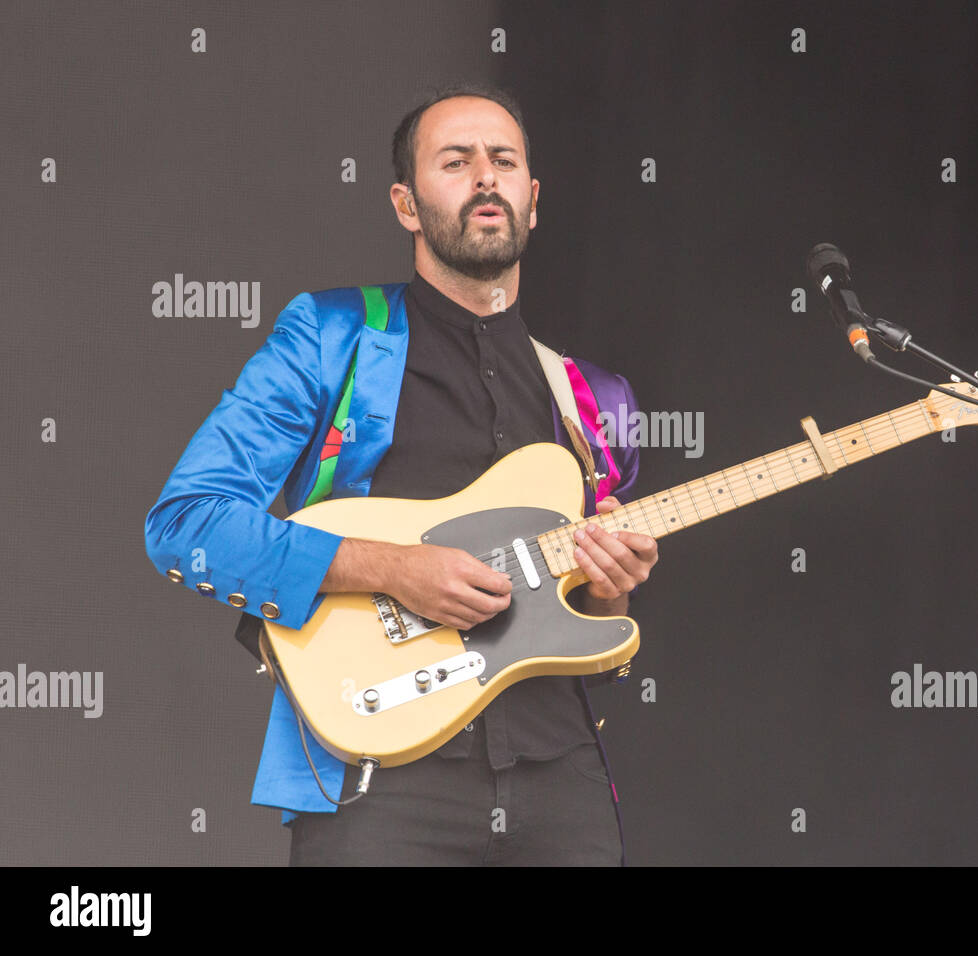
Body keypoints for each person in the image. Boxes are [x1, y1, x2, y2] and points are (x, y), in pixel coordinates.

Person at [144, 84, 658, 865]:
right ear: (406, 205)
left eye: (504, 161)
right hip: (377, 783)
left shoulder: (594, 399)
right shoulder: (330, 339)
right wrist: (391, 569)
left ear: (533, 198)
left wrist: (611, 585)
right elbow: (187, 521)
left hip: (562, 780)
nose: (486, 177)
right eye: (456, 161)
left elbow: (588, 622)